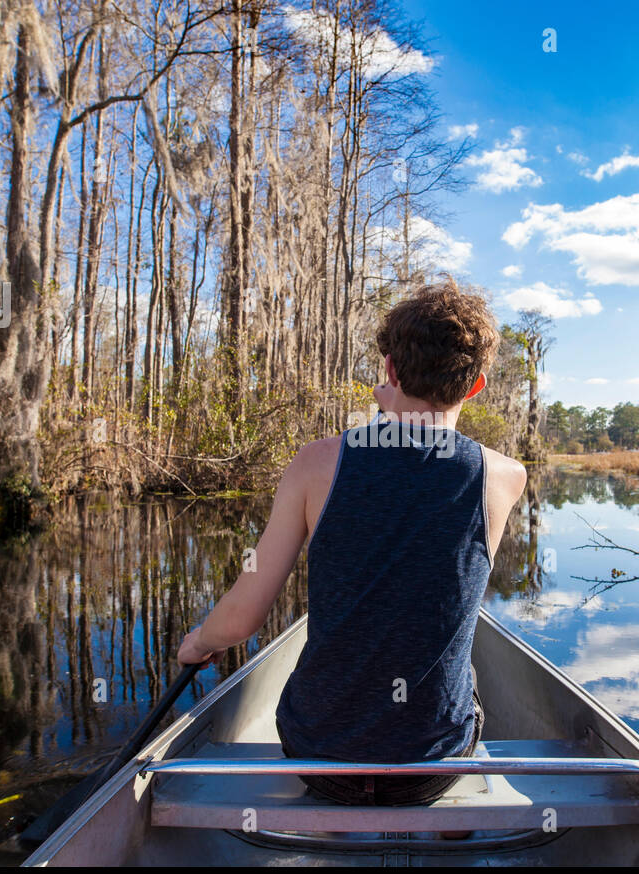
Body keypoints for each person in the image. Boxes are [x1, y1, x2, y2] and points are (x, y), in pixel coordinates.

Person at [176, 279, 528, 809]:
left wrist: (201, 641)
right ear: (475, 386)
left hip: (319, 757)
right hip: (430, 768)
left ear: (388, 369)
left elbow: (242, 620)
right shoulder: (504, 476)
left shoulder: (316, 463)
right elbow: (423, 535)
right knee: (465, 675)